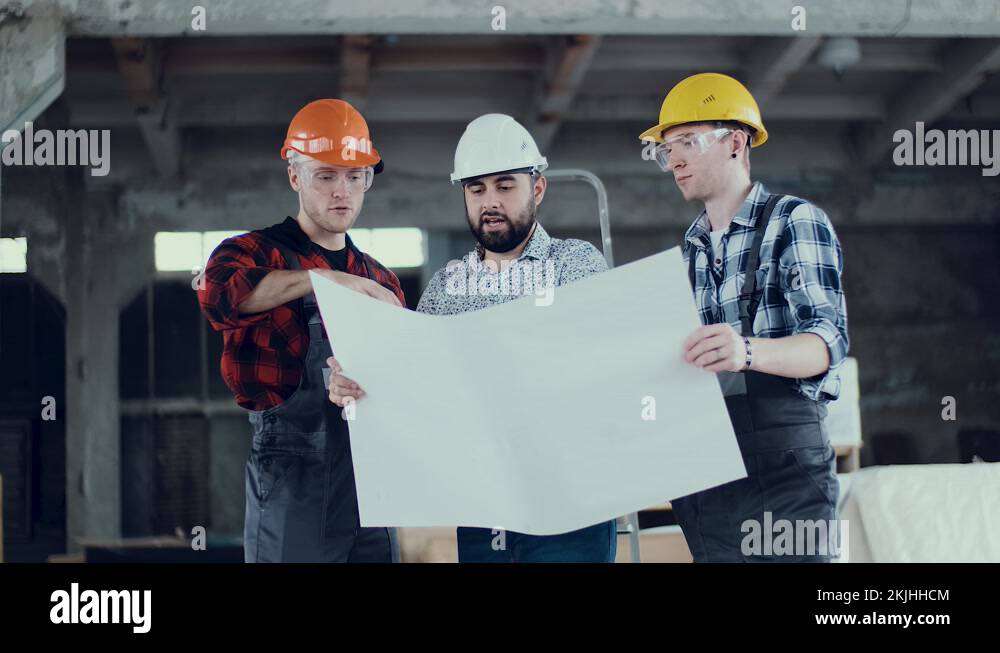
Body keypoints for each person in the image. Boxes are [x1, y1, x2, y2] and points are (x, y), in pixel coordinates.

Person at [327, 114, 617, 562]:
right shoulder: (445, 289)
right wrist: (359, 384)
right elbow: (412, 386)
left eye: (505, 186)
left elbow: (598, 368)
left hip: (570, 506)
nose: (490, 201)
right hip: (485, 515)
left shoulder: (575, 265)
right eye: (476, 189)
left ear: (536, 189)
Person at [638, 73, 849, 562]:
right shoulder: (689, 251)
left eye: (687, 141)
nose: (674, 160)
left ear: (736, 142)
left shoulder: (794, 221)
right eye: (665, 149)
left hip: (785, 467)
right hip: (709, 469)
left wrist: (744, 350)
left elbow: (827, 342)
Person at [198, 99, 404, 562]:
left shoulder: (381, 280)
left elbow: (402, 378)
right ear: (295, 177)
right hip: (293, 473)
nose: (342, 192)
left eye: (355, 177)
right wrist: (323, 278)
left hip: (371, 479)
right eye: (326, 176)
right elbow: (220, 296)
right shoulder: (251, 253)